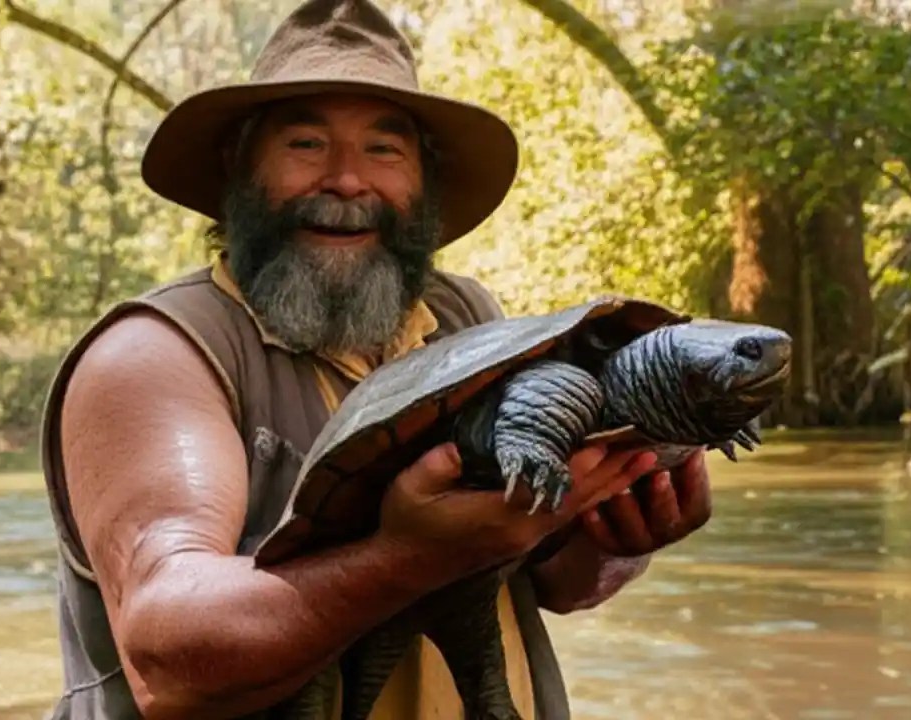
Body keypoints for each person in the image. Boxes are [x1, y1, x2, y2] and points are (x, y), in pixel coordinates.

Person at [38, 0, 714, 718]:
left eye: (384, 150)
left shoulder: (467, 320)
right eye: (305, 144)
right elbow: (168, 661)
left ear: (424, 179)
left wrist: (621, 538)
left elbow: (550, 580)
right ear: (239, 167)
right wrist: (410, 555)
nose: (347, 181)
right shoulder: (157, 353)